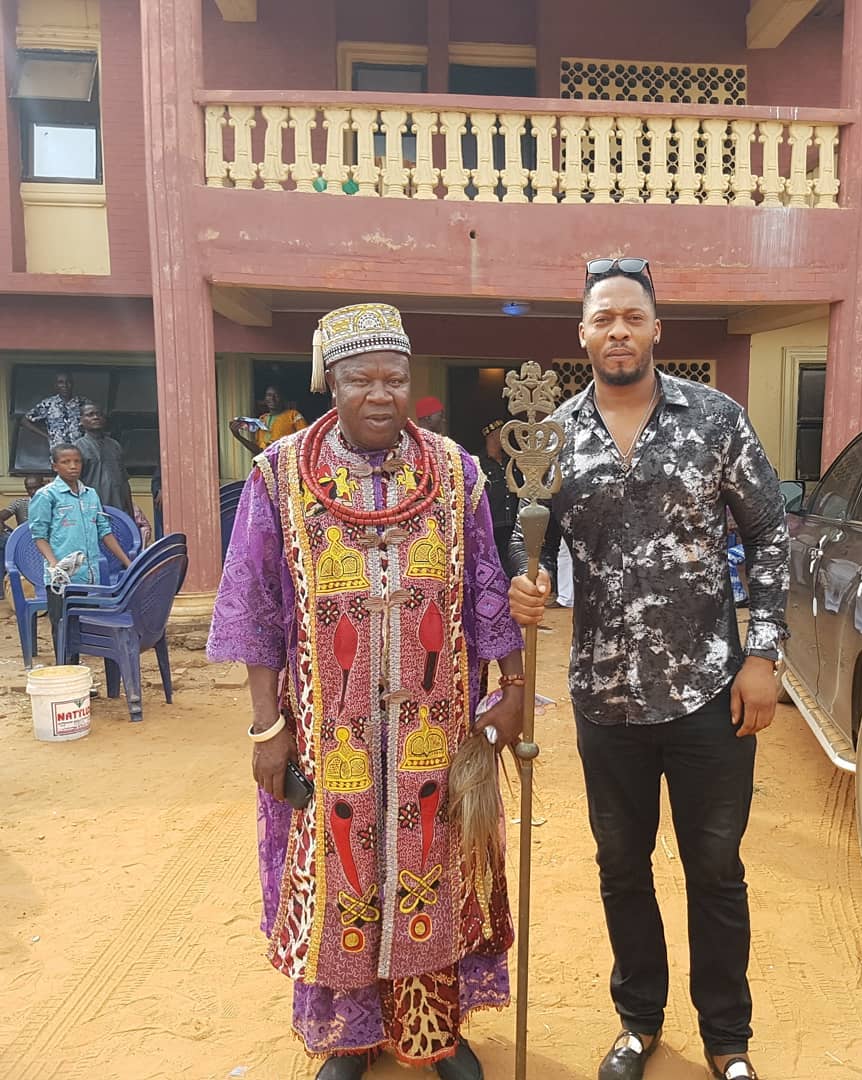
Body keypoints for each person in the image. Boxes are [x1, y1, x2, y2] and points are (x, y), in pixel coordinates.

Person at [207, 303, 525, 1080]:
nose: (381, 394)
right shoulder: (279, 477)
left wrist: (509, 687)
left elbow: (486, 588)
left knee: (435, 866)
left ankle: (433, 1025)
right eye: (360, 378)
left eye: (395, 377)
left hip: (436, 728)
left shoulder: (456, 474)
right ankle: (347, 1035)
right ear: (331, 384)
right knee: (342, 865)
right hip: (328, 733)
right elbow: (254, 604)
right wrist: (264, 728)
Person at [508, 258, 789, 1080]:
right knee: (621, 867)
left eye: (633, 317)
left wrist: (763, 651)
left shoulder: (717, 420)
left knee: (715, 869)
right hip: (604, 697)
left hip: (710, 687)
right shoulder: (551, 438)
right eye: (604, 320)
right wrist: (524, 589)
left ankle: (728, 1041)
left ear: (657, 330)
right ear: (583, 335)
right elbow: (527, 543)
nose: (619, 331)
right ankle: (638, 1023)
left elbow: (770, 533)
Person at [29, 443, 132, 661]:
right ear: (54, 465)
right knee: (63, 627)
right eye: (66, 462)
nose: (73, 466)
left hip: (89, 575)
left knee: (83, 628)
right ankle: (66, 675)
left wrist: (127, 562)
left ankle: (81, 678)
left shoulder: (91, 495)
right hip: (62, 578)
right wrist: (54, 564)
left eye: (77, 461)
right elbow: (39, 536)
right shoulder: (46, 496)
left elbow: (104, 531)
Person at [75, 402, 135, 516]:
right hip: (92, 511)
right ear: (81, 421)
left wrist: (131, 514)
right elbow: (73, 485)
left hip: (118, 510)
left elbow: (124, 482)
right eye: (90, 414)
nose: (96, 417)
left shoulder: (115, 445)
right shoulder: (77, 448)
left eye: (99, 414)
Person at [476, 418, 518, 574]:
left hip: (512, 523)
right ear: (492, 436)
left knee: (512, 563)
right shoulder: (478, 462)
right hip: (492, 524)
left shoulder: (511, 460)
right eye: (501, 434)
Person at [229, 384, 308, 455]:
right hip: (266, 467)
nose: (272, 398)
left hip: (286, 465)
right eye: (269, 395)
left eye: (276, 395)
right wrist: (238, 436)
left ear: (283, 398)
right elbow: (259, 451)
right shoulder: (261, 420)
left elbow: (305, 440)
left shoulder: (293, 415)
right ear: (265, 399)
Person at [22, 372, 92, 449]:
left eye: (68, 382)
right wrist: (46, 435)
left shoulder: (83, 402)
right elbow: (25, 420)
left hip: (81, 450)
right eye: (60, 382)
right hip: (58, 452)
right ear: (55, 385)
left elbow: (96, 419)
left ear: (72, 384)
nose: (65, 385)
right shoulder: (48, 404)